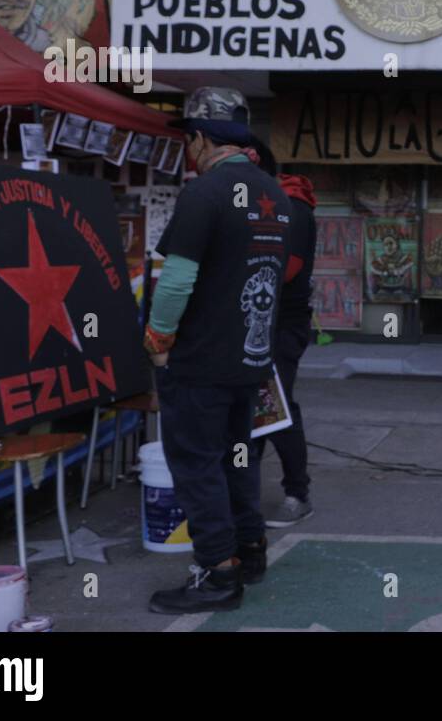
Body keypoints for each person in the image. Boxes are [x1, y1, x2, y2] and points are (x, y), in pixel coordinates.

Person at [144, 88, 290, 614]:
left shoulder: (204, 193)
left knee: (197, 463)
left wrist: (158, 341)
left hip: (200, 360)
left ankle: (217, 571)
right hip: (251, 359)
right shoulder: (275, 195)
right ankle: (250, 549)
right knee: (238, 456)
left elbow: (177, 281)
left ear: (201, 138)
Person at [249, 141, 318, 528]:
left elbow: (286, 267)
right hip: (264, 323)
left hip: (280, 325)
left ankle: (298, 493)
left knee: (275, 407)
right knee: (258, 409)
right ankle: (245, 490)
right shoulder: (277, 200)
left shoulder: (289, 206)